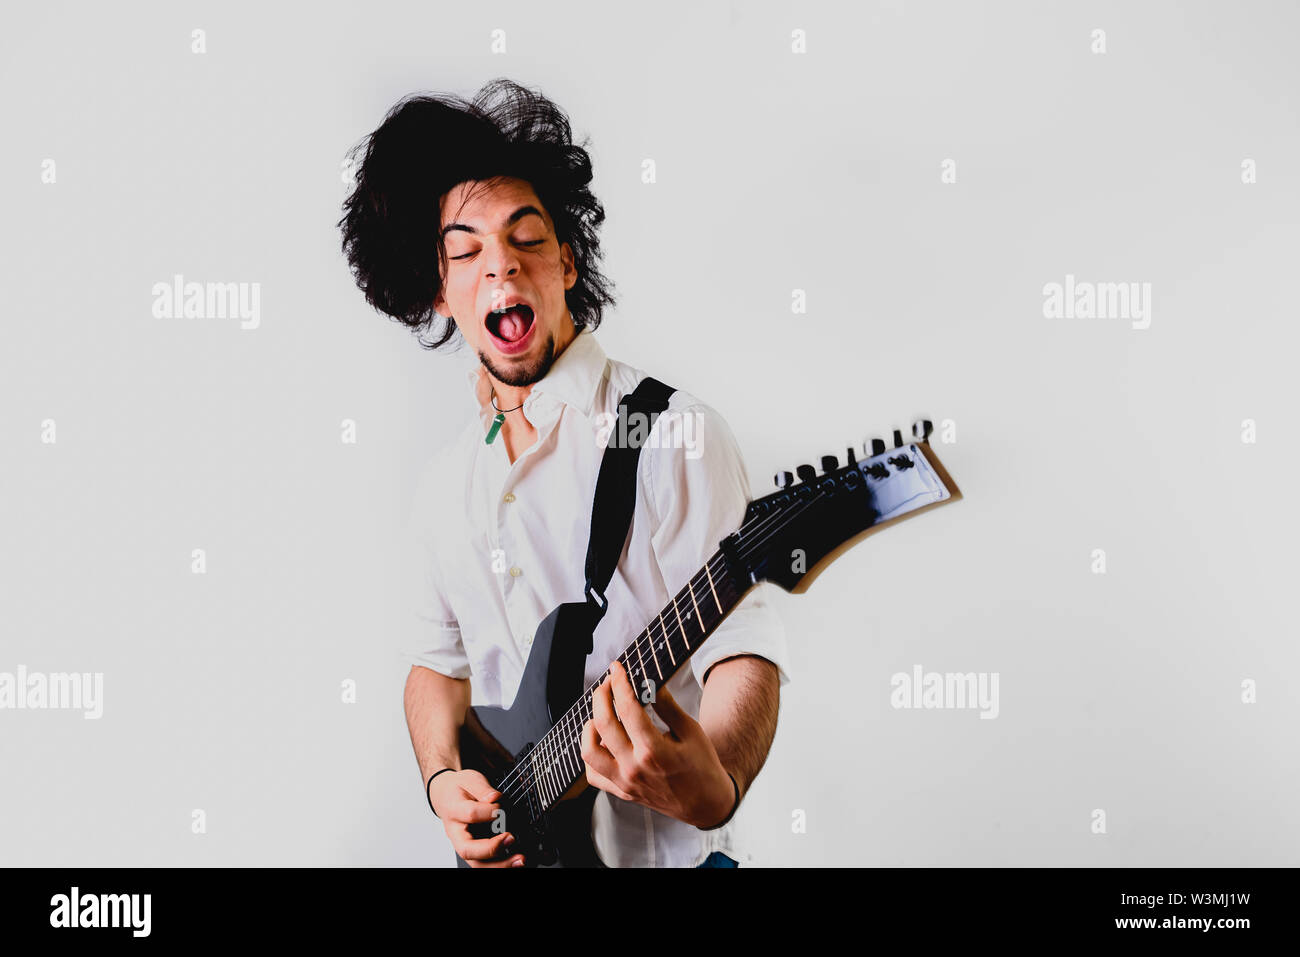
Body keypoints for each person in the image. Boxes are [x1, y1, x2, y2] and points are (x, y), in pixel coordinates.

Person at [339, 77, 790, 868]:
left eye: (527, 238)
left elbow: (743, 647)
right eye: (466, 250)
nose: (501, 267)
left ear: (568, 262)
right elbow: (433, 666)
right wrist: (444, 778)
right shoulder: (448, 486)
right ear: (442, 292)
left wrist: (714, 778)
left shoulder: (668, 431)